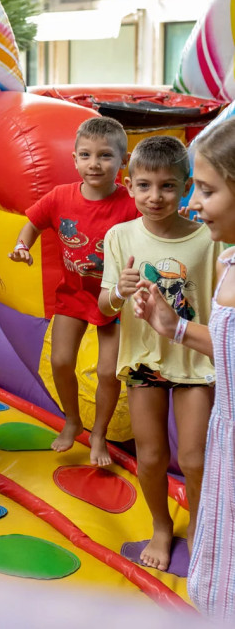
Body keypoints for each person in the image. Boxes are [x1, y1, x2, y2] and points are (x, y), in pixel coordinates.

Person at [99, 135, 222, 573]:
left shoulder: (208, 239)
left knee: (193, 458)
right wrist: (118, 292)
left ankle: (208, 528)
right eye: (145, 185)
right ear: (128, 185)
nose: (156, 196)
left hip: (194, 362)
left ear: (187, 186)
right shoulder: (120, 236)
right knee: (149, 455)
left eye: (168, 186)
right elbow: (102, 305)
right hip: (143, 360)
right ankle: (160, 525)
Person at [133, 120, 235, 618]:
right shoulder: (230, 261)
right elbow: (227, 345)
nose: (193, 203)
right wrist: (171, 327)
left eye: (207, 190)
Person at [9, 116, 137, 465]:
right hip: (74, 294)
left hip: (115, 300)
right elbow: (32, 224)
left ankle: (98, 435)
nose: (94, 164)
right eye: (85, 155)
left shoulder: (131, 204)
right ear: (75, 159)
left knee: (109, 373)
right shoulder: (60, 197)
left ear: (122, 163)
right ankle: (72, 420)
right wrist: (23, 246)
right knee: (61, 360)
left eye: (105, 156)